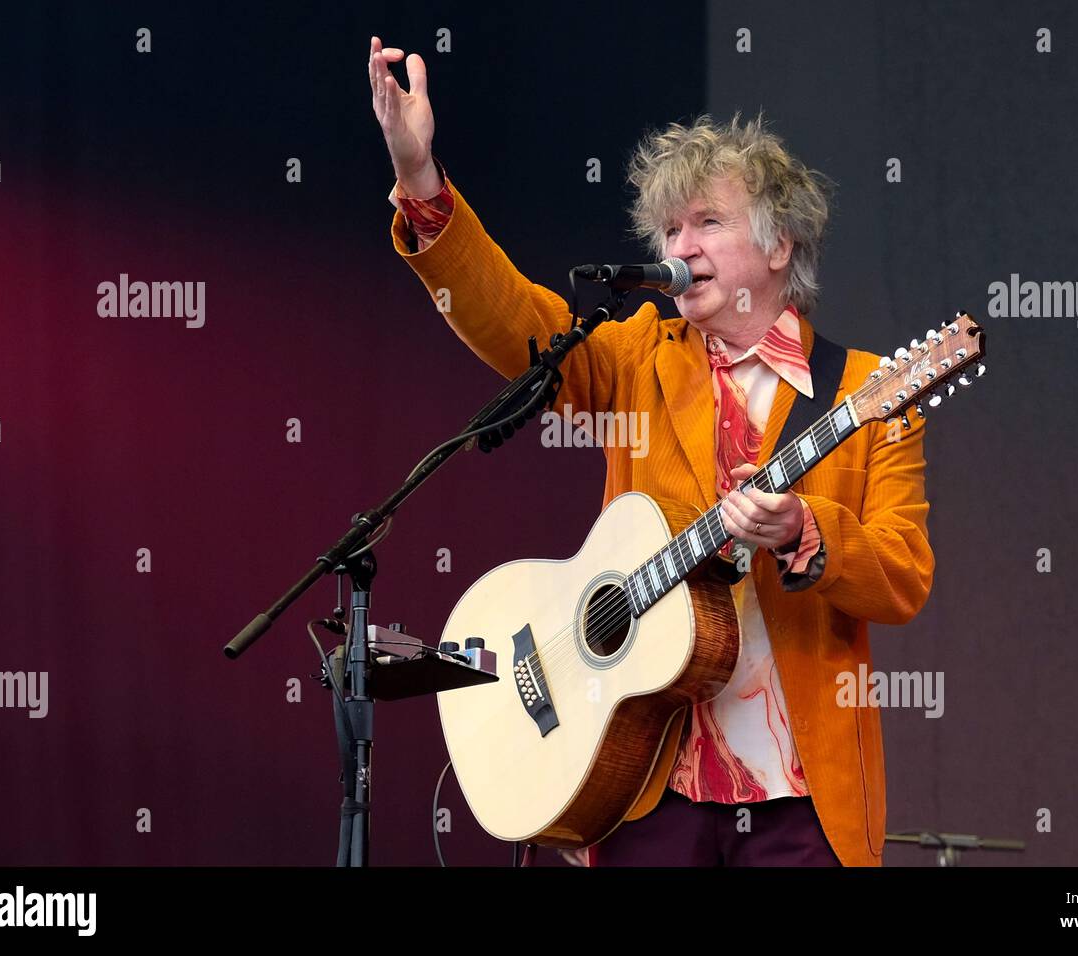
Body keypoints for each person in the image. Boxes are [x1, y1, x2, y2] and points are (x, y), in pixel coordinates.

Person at [368, 35, 934, 867]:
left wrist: (806, 532)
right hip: (646, 785)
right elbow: (515, 324)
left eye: (708, 221)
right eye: (670, 226)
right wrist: (421, 182)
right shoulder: (638, 352)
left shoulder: (867, 391)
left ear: (779, 247)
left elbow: (902, 571)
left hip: (799, 804)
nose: (680, 246)